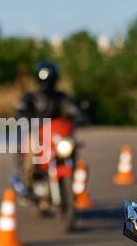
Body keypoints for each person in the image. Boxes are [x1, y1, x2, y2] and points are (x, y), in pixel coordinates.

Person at [10, 61, 86, 194]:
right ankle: (27, 186)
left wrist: (79, 116)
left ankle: (72, 177)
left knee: (72, 146)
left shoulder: (61, 97)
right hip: (36, 136)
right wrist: (22, 118)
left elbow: (72, 108)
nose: (47, 84)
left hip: (55, 137)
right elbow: (20, 112)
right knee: (30, 154)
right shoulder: (30, 97)